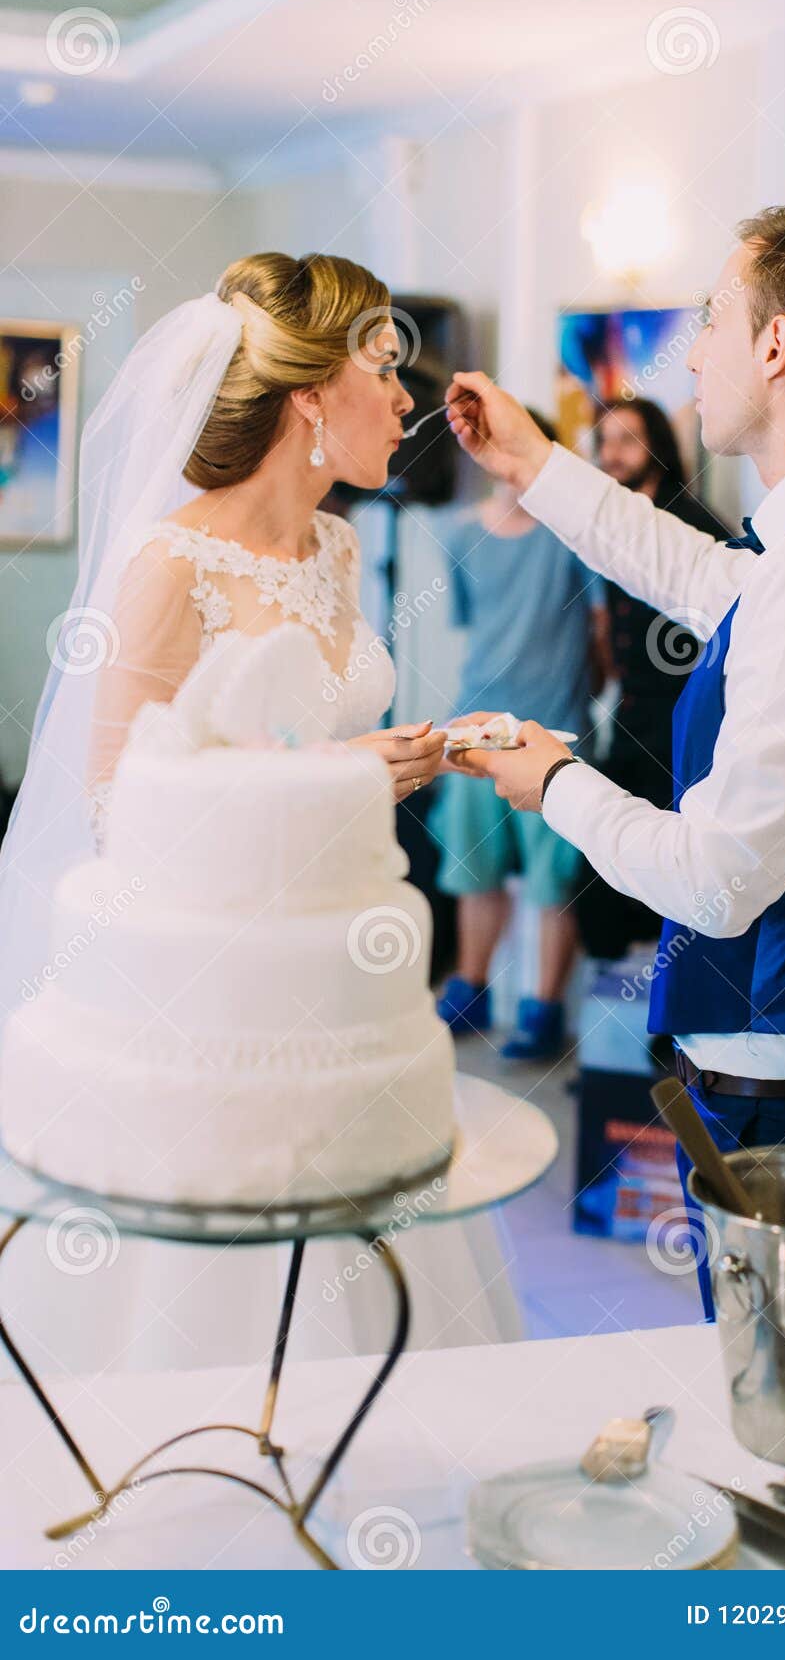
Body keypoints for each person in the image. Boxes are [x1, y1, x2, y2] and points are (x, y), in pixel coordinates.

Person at [444, 206, 785, 1319]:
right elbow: (707, 583)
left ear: (775, 345)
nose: (690, 352)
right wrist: (534, 465)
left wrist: (549, 779)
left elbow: (716, 882)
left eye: (709, 320)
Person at [0, 252, 521, 1373]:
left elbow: (304, 738)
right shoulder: (167, 563)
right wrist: (343, 773)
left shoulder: (336, 548)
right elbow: (113, 809)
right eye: (383, 370)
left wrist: (414, 755)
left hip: (344, 970)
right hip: (212, 1002)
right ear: (308, 397)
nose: (405, 399)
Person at [433, 412, 598, 1060]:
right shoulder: (457, 534)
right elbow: (471, 623)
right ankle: (468, 992)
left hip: (555, 727)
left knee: (552, 882)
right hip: (477, 725)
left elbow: (597, 629)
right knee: (475, 870)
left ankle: (544, 1009)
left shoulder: (572, 539)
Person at [579, 398, 731, 959]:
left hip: (684, 721)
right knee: (608, 866)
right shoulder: (613, 526)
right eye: (605, 441)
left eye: (626, 439)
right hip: (633, 712)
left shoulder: (692, 525)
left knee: (673, 870)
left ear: (657, 448)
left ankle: (666, 1028)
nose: (611, 453)